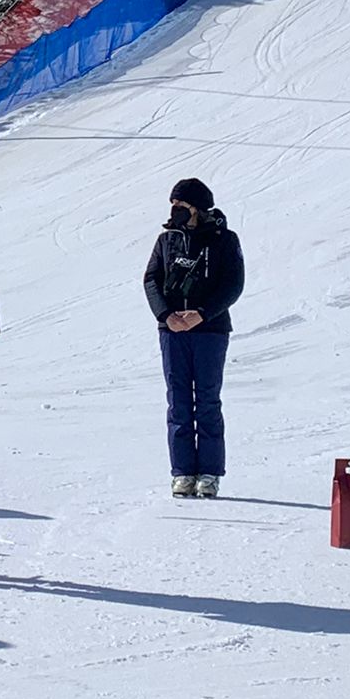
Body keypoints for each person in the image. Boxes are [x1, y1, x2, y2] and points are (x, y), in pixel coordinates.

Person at [142, 178, 244, 499]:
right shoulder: (166, 240)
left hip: (209, 332)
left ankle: (210, 472)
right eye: (172, 205)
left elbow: (233, 284)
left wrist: (201, 313)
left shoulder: (225, 240)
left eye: (182, 206)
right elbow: (151, 280)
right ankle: (182, 472)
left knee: (208, 402)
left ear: (198, 209)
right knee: (179, 402)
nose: (175, 211)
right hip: (172, 333)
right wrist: (165, 315)